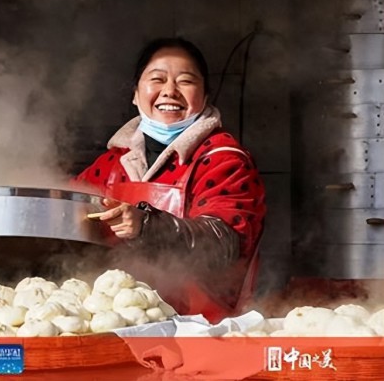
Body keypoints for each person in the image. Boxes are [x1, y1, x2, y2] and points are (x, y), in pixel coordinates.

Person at [76, 37, 266, 322]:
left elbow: (223, 245)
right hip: (119, 326)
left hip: (201, 330)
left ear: (205, 96)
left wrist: (146, 225)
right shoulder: (112, 164)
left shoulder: (225, 159)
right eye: (157, 79)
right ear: (135, 94)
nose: (169, 91)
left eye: (185, 81)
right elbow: (66, 219)